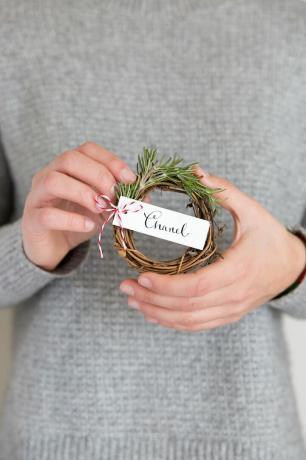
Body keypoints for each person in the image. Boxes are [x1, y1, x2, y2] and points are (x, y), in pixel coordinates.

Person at [0, 0, 306, 458]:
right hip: (53, 444)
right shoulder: (12, 25)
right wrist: (29, 249)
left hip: (250, 442)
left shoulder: (295, 25)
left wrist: (291, 266)